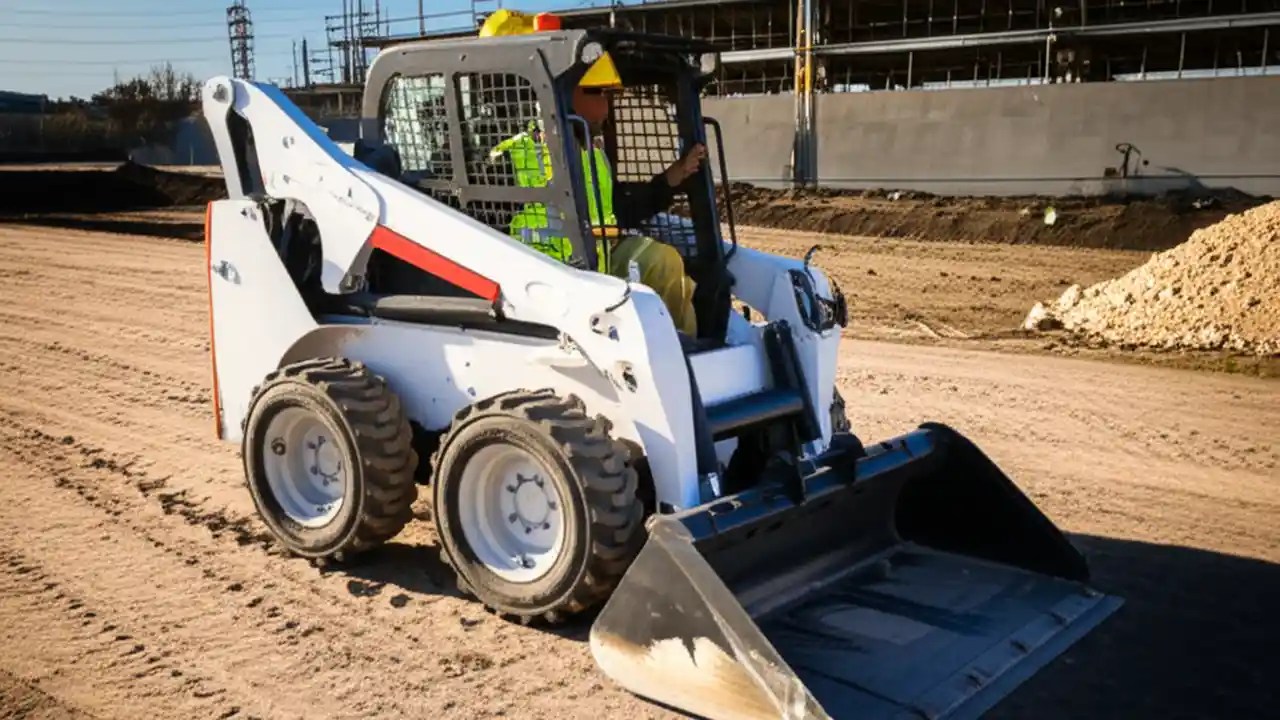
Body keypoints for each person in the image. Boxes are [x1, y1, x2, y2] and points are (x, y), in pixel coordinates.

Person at [491, 55, 706, 336]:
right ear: (563, 95)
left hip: (598, 261)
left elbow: (621, 207)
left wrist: (671, 178)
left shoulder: (593, 154)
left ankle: (685, 349)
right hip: (545, 278)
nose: (606, 106)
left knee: (664, 261)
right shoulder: (513, 158)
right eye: (597, 94)